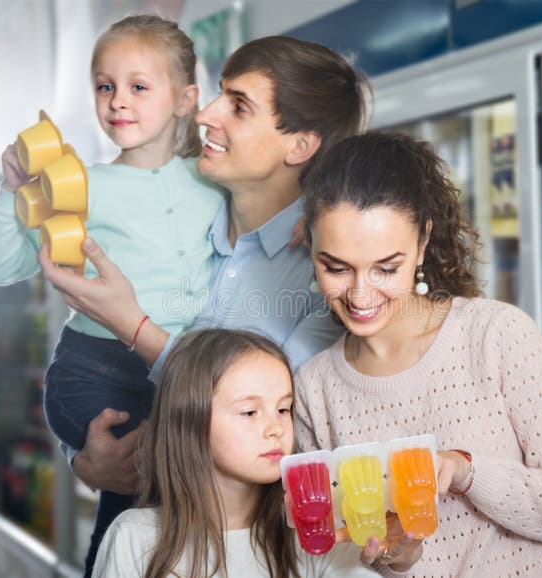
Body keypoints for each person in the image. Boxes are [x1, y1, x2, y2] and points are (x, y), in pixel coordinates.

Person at [38, 34, 368, 574]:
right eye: (217, 94)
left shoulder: (321, 271)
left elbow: (276, 424)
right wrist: (85, 456)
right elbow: (91, 368)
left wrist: (131, 323)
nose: (207, 115)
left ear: (300, 147)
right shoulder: (179, 212)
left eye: (238, 106)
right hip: (140, 527)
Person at [295, 132, 542, 577]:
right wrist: (394, 559)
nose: (360, 294)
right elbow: (344, 553)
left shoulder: (496, 335)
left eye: (386, 268)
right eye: (336, 267)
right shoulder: (314, 387)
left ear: (423, 242)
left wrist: (467, 472)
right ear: (310, 247)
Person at [0, 14, 223, 575]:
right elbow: (1, 266)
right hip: (95, 371)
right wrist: (10, 193)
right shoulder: (79, 185)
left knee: (157, 508)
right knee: (141, 499)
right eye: (105, 86)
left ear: (186, 99)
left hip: (178, 370)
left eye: (139, 86)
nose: (118, 101)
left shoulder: (213, 179)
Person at [92, 328, 422, 577]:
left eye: (283, 409)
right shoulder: (133, 537)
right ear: (188, 420)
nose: (276, 428)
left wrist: (393, 558)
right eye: (250, 412)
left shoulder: (319, 533)